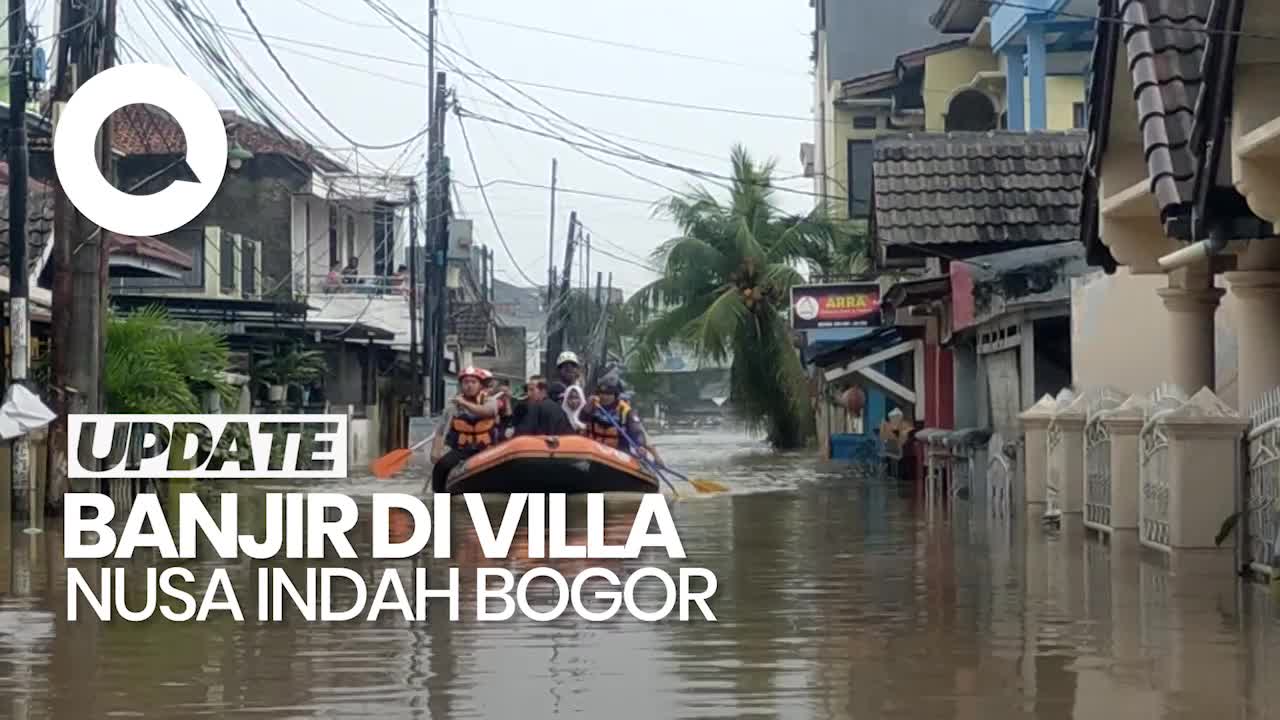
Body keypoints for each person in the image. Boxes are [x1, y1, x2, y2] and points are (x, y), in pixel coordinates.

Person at [429, 367, 499, 492]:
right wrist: (435, 451)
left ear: (480, 385)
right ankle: (439, 495)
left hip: (487, 449)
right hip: (462, 449)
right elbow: (440, 431)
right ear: (461, 385)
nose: (469, 385)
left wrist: (464, 403)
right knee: (442, 466)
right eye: (466, 382)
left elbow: (487, 412)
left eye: (473, 382)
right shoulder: (452, 407)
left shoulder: (490, 401)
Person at [580, 376, 663, 465]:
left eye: (609, 394)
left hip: (618, 454)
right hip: (595, 452)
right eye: (601, 393)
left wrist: (640, 446)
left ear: (616, 395)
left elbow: (637, 432)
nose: (604, 397)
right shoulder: (592, 406)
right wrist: (587, 406)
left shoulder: (626, 411)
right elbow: (581, 419)